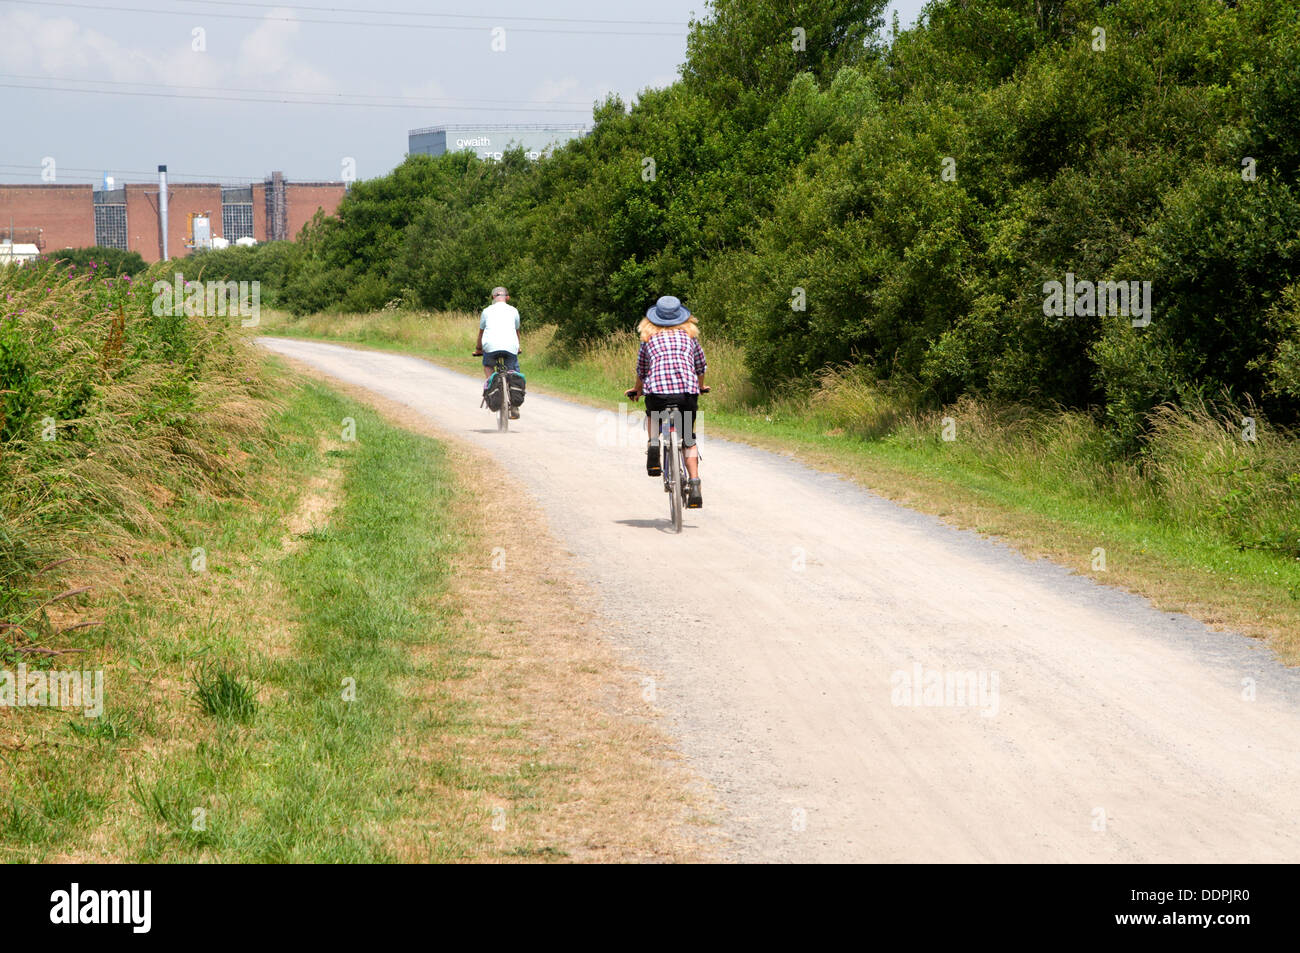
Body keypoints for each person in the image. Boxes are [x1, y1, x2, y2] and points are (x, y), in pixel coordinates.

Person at [626, 295, 707, 508]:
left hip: (658, 395)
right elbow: (700, 367)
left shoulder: (648, 340)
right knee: (688, 438)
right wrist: (700, 387)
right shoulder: (690, 338)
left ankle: (654, 443)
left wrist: (636, 390)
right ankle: (695, 483)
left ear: (653, 320)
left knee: (653, 414)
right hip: (686, 395)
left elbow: (642, 372)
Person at [474, 286, 522, 419]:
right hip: (511, 346)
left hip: (490, 347)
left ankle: (492, 386)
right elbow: (516, 331)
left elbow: (481, 332)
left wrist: (478, 349)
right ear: (508, 297)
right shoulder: (514, 310)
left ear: (493, 298)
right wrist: (518, 347)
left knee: (488, 365)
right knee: (513, 370)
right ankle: (514, 406)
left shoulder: (486, 311)